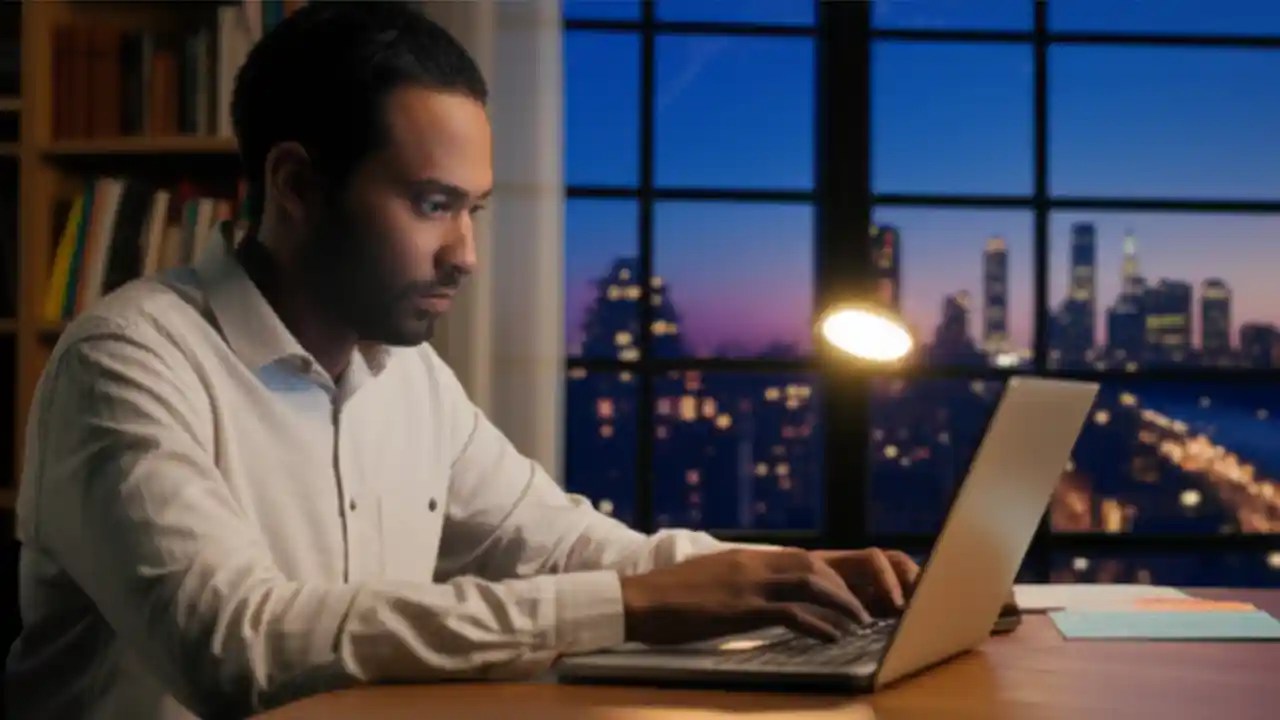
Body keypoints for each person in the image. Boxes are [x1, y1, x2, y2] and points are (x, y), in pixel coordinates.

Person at [5, 4, 920, 719]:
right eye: (432, 203)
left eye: (473, 209)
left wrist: (786, 577)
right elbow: (237, 648)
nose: (465, 254)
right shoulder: (126, 363)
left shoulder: (407, 376)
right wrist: (634, 608)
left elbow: (565, 545)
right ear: (293, 185)